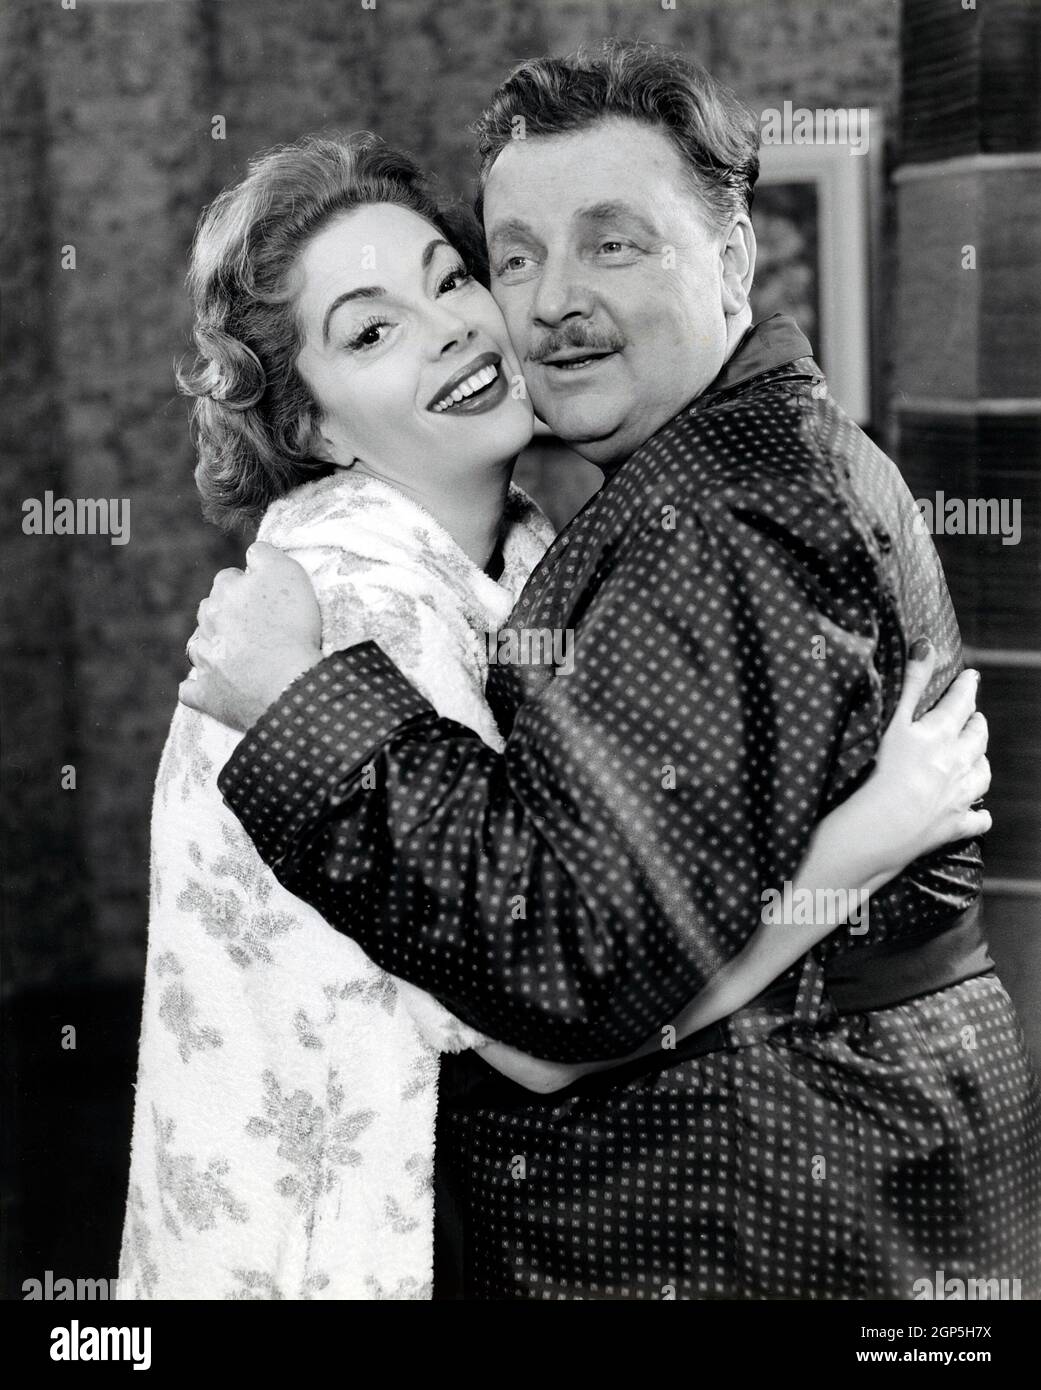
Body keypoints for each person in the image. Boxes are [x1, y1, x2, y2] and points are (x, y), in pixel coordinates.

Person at [183, 43, 1041, 1300]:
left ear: (738, 256)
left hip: (776, 1210)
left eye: (613, 244)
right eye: (514, 254)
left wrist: (306, 715)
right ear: (305, 418)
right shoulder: (451, 556)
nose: (543, 303)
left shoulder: (719, 513)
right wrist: (851, 850)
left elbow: (562, 984)